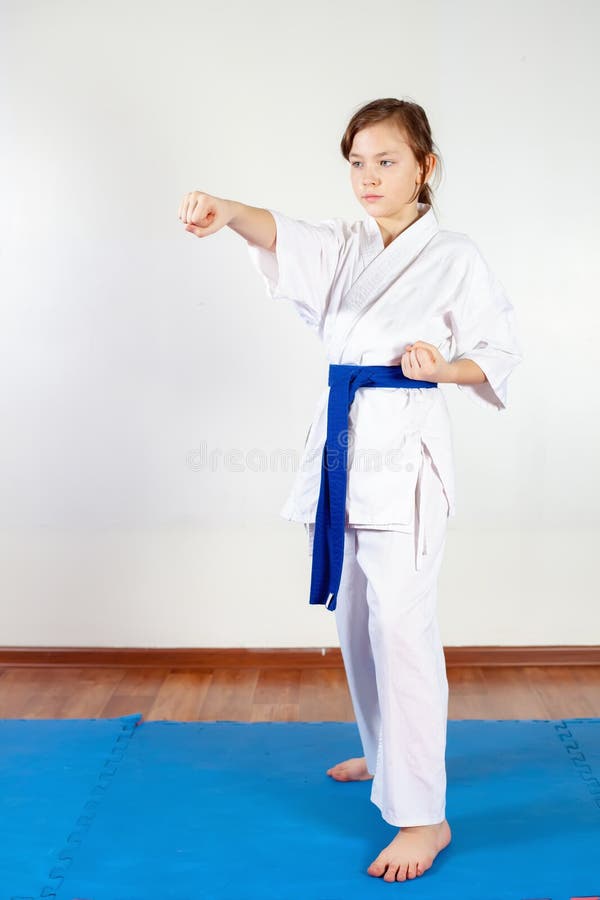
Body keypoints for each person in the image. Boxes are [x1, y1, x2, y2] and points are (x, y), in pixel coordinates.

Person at [178, 96, 523, 884]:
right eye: (357, 163)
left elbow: (498, 353)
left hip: (405, 454)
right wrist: (225, 209)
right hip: (341, 444)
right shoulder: (344, 243)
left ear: (425, 167)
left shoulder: (455, 256)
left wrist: (443, 367)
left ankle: (423, 815)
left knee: (403, 627)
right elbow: (280, 233)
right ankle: (383, 755)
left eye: (387, 161)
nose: (369, 177)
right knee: (360, 618)